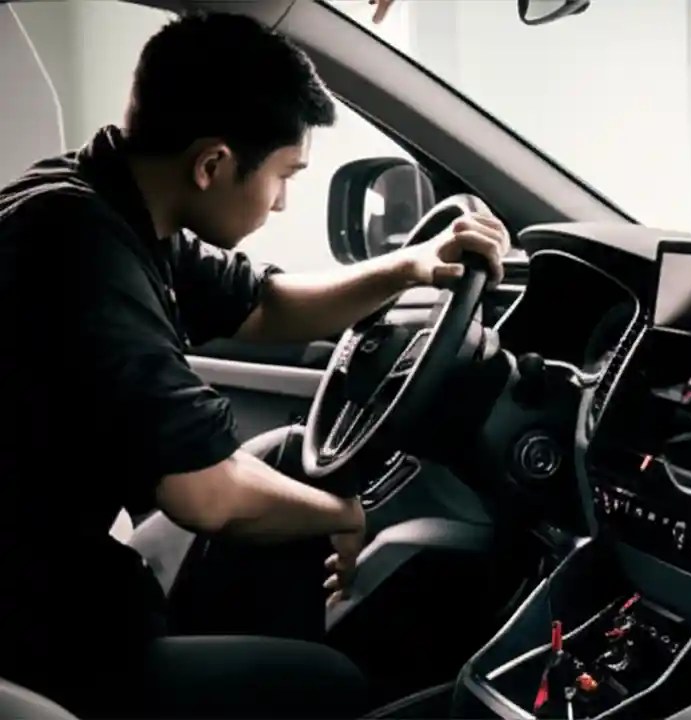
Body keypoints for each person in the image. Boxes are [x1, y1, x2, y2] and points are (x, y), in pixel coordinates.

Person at [0, 8, 509, 720]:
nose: (282, 201)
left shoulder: (107, 198)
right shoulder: (81, 251)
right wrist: (346, 511)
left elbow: (265, 305)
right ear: (212, 164)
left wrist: (412, 268)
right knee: (328, 684)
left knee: (285, 460)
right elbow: (204, 496)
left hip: (46, 580)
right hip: (35, 631)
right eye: (282, 177)